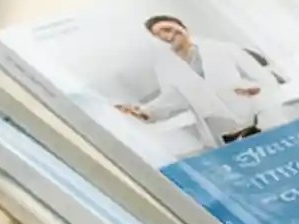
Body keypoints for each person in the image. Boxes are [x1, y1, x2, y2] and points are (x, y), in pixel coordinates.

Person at [115, 14, 288, 148]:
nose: (166, 37)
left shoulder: (223, 49)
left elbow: (264, 80)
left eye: (167, 29)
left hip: (260, 123)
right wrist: (144, 112)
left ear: (183, 28)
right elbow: (172, 100)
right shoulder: (167, 69)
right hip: (225, 138)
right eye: (158, 35)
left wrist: (252, 89)